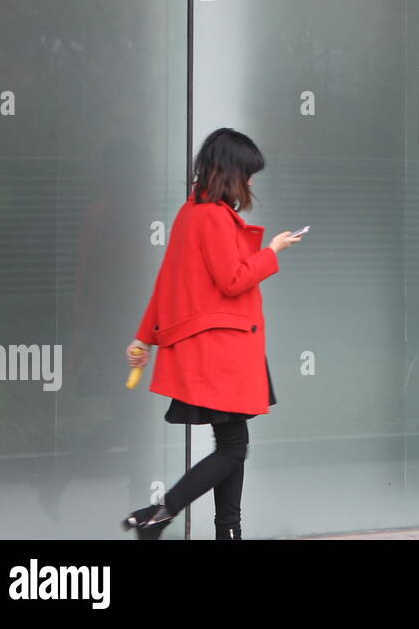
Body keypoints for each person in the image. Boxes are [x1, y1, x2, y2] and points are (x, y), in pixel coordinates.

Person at [121, 128, 303, 539]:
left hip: (219, 348)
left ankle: (226, 531)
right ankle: (161, 513)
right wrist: (272, 251)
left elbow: (167, 282)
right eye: (249, 173)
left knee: (231, 444)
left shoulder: (191, 212)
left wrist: (143, 337)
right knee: (234, 447)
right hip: (224, 350)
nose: (253, 182)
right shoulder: (213, 217)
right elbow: (233, 279)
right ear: (232, 172)